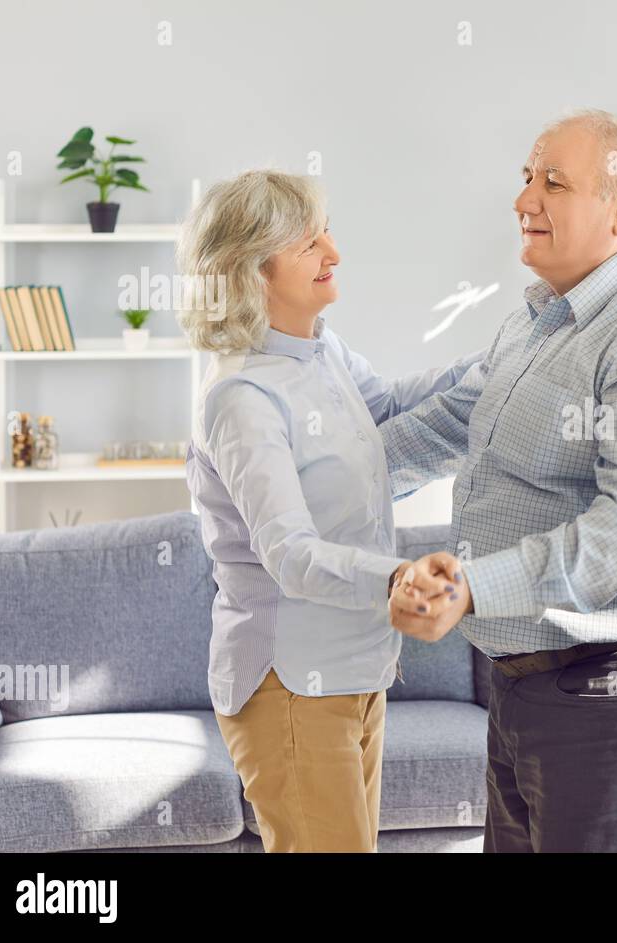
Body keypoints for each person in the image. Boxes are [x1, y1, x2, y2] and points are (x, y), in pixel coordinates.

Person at [381, 111, 617, 852]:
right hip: (530, 679)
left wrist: (472, 588)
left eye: (554, 182)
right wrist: (312, 470)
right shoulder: (544, 319)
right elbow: (447, 418)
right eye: (526, 178)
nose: (524, 199)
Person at [177, 170, 476, 852]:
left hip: (355, 671)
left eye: (326, 232)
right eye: (310, 243)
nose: (334, 252)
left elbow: (394, 407)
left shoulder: (320, 349)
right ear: (250, 269)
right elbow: (290, 553)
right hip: (291, 688)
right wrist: (397, 575)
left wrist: (504, 364)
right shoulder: (241, 395)